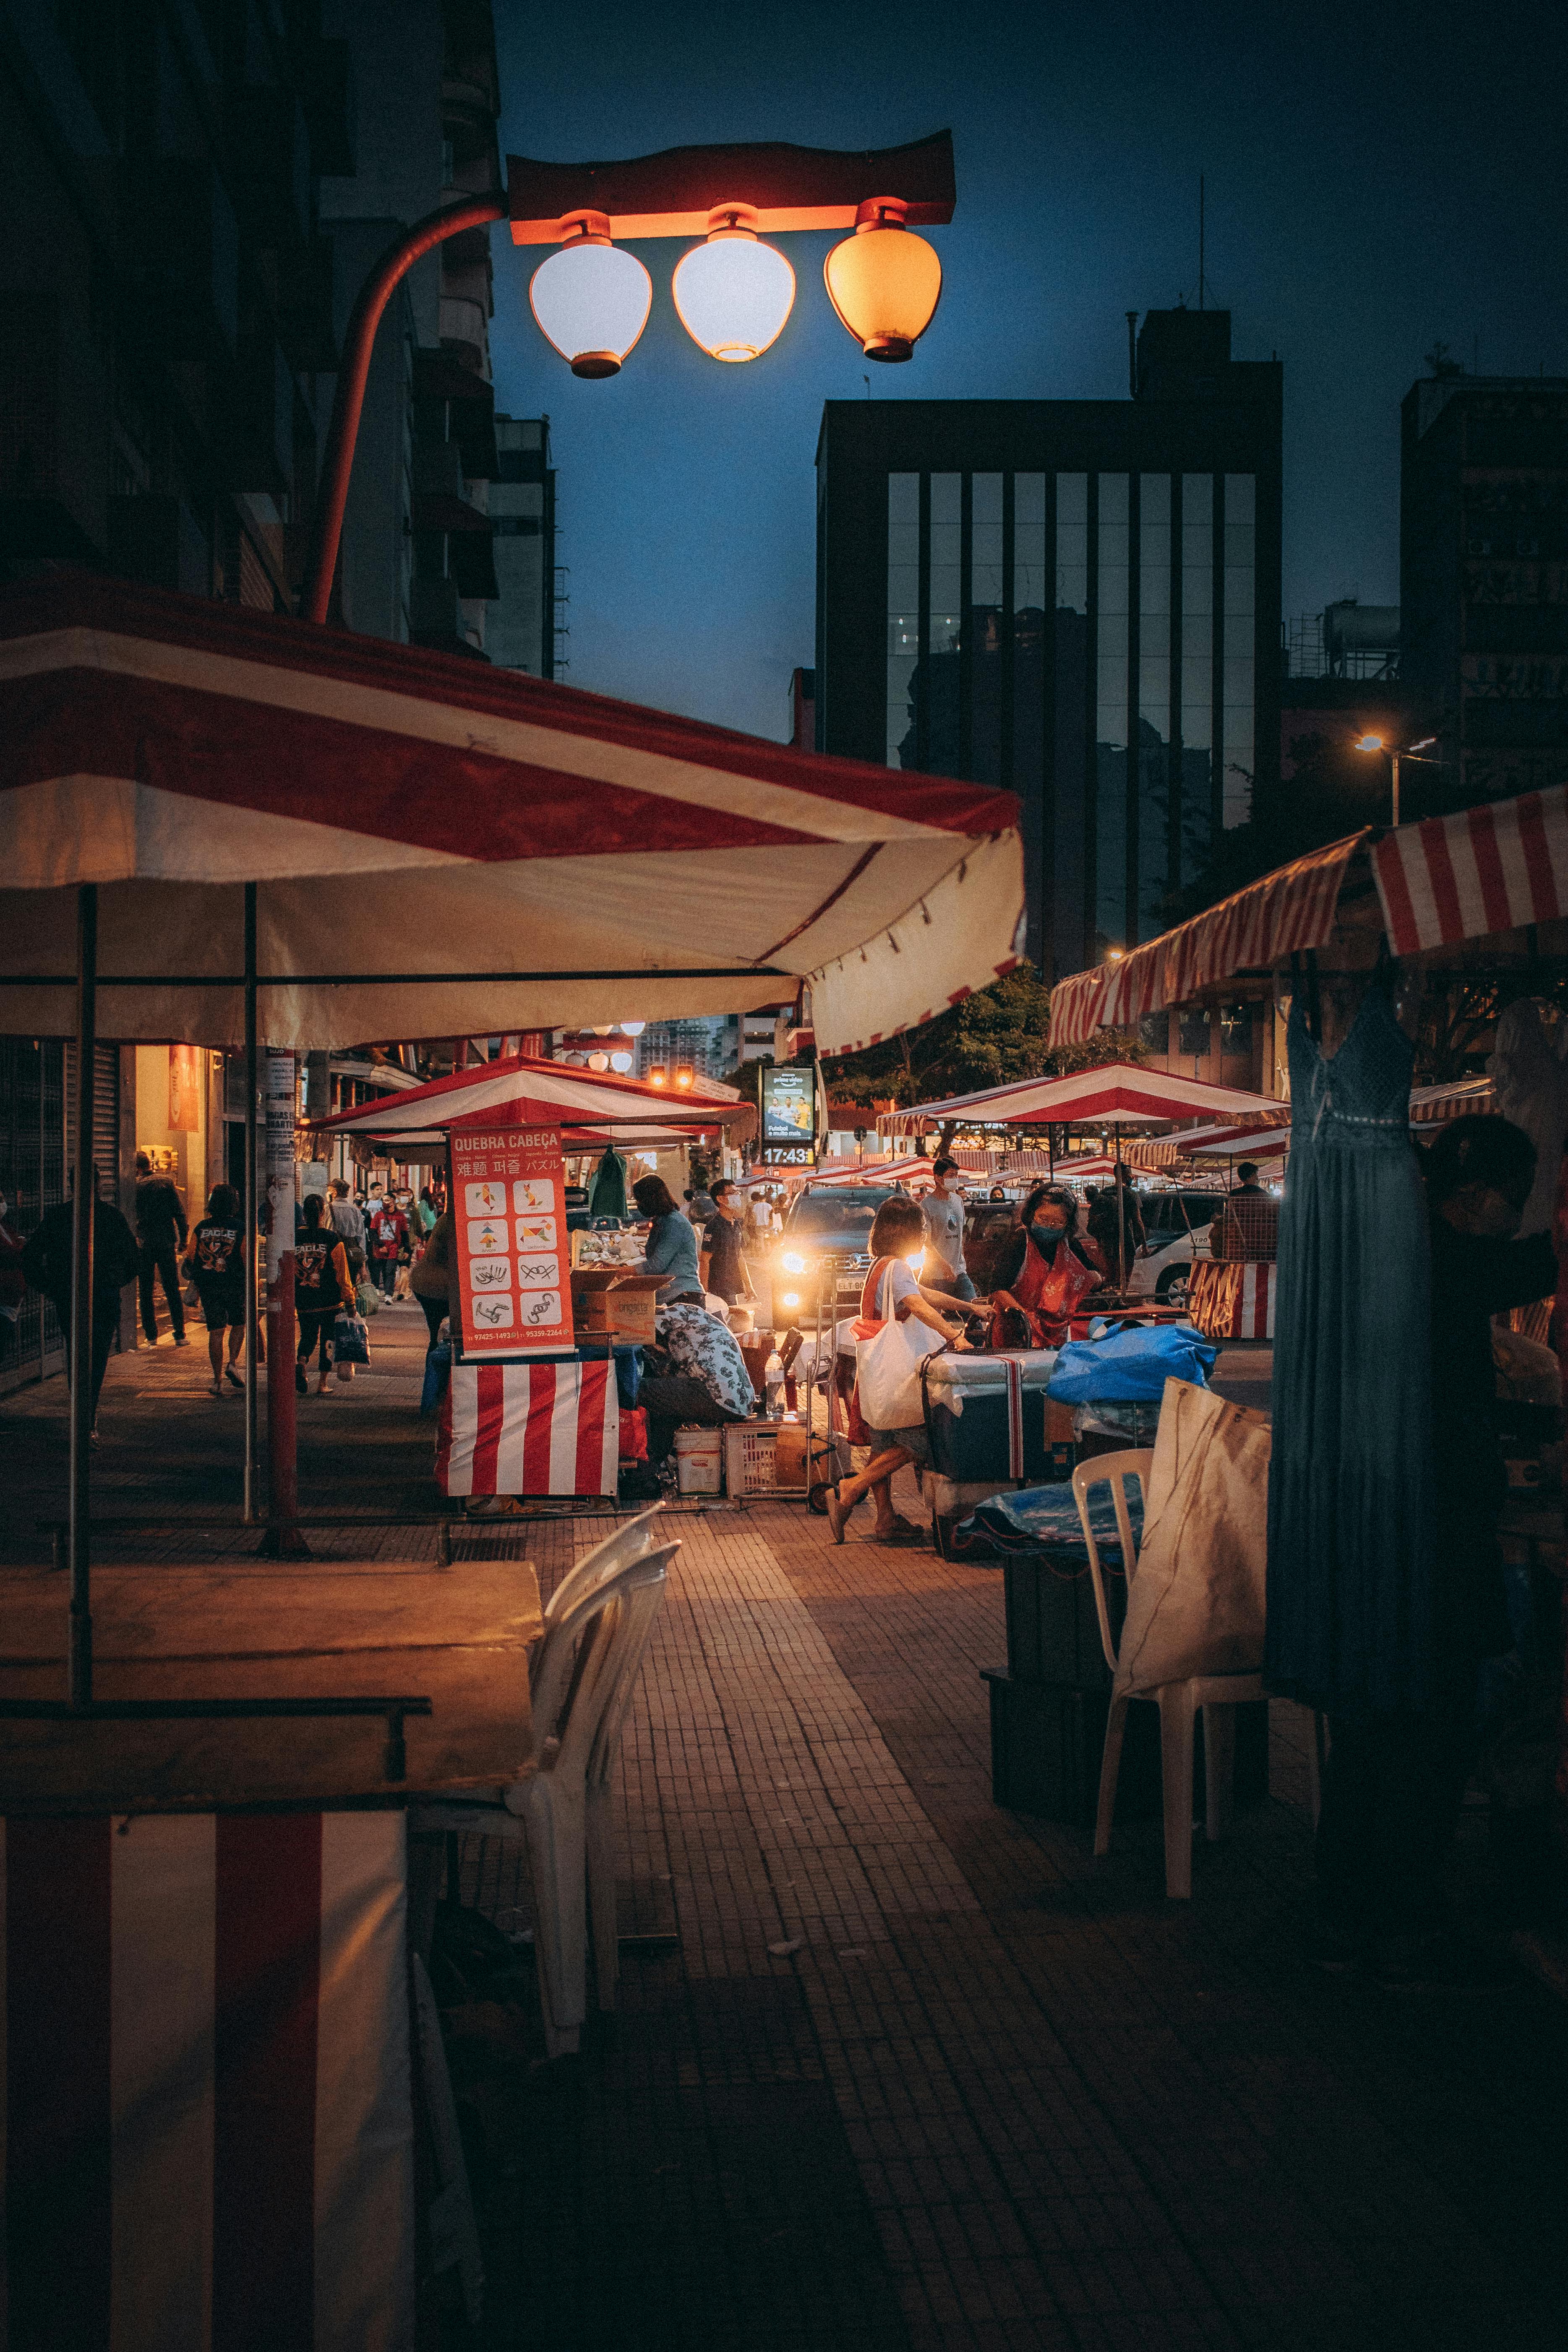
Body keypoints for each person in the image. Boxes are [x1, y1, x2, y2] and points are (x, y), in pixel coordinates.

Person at [1311, 1115, 1557, 1984]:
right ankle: (1396, 1918)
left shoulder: (1393, 1249)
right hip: (1427, 1528)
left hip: (1380, 1517)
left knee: (1379, 1724)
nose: (1513, 1212)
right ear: (1478, 1192)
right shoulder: (1440, 1259)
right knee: (1430, 1726)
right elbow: (1533, 1263)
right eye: (1513, 1196)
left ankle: (1345, 1913)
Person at [824, 1194, 971, 1548]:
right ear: (908, 1231)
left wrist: (970, 1308)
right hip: (898, 1371)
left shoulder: (882, 1265)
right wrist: (955, 1336)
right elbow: (917, 1304)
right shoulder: (897, 1267)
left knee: (883, 1443)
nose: (924, 1234)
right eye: (921, 1227)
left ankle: (885, 1518)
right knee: (920, 1440)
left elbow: (924, 1293)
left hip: (877, 1372)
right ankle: (851, 1488)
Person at [21, 1166, 142, 1437]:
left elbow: (29, 1257)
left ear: (70, 1185)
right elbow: (134, 1261)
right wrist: (113, 1280)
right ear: (99, 1184)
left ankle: (82, 1414)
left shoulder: (58, 1216)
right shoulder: (111, 1217)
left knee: (76, 1354)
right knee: (97, 1357)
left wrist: (50, 1287)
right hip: (104, 1297)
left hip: (69, 1297)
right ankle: (88, 1417)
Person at [639, 1298, 755, 1468]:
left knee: (638, 1389)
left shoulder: (679, 1311)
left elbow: (638, 1333)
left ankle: (642, 1469)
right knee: (664, 1403)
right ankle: (650, 1468)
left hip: (716, 1395)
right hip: (739, 1402)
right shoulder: (693, 1332)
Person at [990, 1184, 1107, 1348]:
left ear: (1068, 1223)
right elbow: (997, 1289)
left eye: (1058, 1222)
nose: (1050, 1226)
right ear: (1032, 1214)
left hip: (1057, 1332)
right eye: (1044, 1219)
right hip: (1017, 1332)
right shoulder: (1019, 1242)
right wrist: (1022, 1316)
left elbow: (1095, 1276)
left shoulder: (1069, 1243)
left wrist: (1095, 1278)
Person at [184, 1182, 248, 1397]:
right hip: (235, 1285)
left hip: (209, 1285)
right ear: (234, 1204)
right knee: (239, 1324)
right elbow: (246, 1257)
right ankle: (233, 1363)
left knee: (216, 1331)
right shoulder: (240, 1227)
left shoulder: (201, 1227)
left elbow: (191, 1255)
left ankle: (217, 1380)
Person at [293, 1191, 354, 1396]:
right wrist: (350, 1300)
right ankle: (322, 1383)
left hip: (303, 1298)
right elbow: (342, 1272)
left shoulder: (294, 1237)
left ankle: (301, 1363)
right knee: (329, 1339)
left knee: (308, 1335)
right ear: (322, 1214)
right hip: (330, 1300)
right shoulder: (331, 1238)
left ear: (304, 1214)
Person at [133, 1150, 188, 1347]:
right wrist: (183, 1239)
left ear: (137, 1168)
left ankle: (151, 1337)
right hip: (166, 1241)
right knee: (172, 1287)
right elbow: (179, 1213)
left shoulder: (136, 1187)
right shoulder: (166, 1183)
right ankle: (180, 1335)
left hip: (144, 1242)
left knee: (146, 1290)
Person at [634, 1175, 704, 1303]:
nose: (639, 1204)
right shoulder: (661, 1221)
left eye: (640, 1200)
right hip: (669, 1296)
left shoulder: (674, 1222)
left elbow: (657, 1265)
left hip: (683, 1297)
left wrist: (619, 1271)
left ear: (653, 1198)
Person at [921, 1156, 976, 1302]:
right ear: (938, 1178)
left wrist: (960, 1262)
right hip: (935, 1275)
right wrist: (945, 1267)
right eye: (951, 1176)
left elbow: (960, 1234)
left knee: (973, 1311)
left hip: (959, 1271)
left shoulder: (958, 1200)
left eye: (956, 1176)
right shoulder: (926, 1205)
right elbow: (928, 1243)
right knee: (935, 1319)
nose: (955, 1180)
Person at [700, 1179, 757, 1308]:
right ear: (720, 1199)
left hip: (732, 1286)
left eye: (737, 1192)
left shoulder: (736, 1224)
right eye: (732, 1193)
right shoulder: (714, 1226)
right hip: (718, 1288)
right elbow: (705, 1260)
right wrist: (705, 1292)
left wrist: (749, 1286)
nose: (737, 1196)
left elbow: (740, 1257)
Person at [1208, 1161, 1280, 1263]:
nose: (1257, 1178)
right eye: (1256, 1175)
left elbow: (1228, 1216)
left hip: (1236, 1247)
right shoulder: (1265, 1196)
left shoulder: (1233, 1195)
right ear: (1251, 1176)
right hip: (1264, 1247)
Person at [410, 1205, 454, 1350]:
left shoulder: (446, 1218)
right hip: (437, 1285)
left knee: (435, 1331)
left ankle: (435, 1356)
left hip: (425, 1281)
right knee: (443, 1334)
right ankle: (438, 1362)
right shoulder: (454, 1220)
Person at [366, 1192, 407, 1298]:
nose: (385, 1203)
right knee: (377, 1270)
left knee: (390, 1271)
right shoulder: (379, 1215)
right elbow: (373, 1232)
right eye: (383, 1201)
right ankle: (376, 1288)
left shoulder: (400, 1216)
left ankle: (389, 1294)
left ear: (393, 1201)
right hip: (379, 1249)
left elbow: (404, 1234)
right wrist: (380, 1245)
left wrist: (407, 1249)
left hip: (393, 1249)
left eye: (387, 1200)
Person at [328, 1178, 367, 1270]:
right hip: (351, 1253)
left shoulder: (327, 1209)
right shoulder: (355, 1211)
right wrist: (362, 1260)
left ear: (334, 1192)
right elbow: (361, 1236)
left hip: (331, 1251)